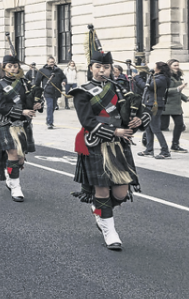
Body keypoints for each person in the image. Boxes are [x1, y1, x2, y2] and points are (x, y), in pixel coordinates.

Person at [69, 50, 150, 250]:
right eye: (98, 67)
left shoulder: (121, 89)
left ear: (111, 69)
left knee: (121, 193)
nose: (102, 71)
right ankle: (109, 230)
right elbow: (87, 121)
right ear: (91, 68)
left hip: (119, 146)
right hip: (97, 143)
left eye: (105, 67)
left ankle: (99, 212)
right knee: (103, 191)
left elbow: (142, 113)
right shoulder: (83, 92)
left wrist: (139, 120)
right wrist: (115, 131)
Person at [0, 54, 41, 202]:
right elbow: (1, 106)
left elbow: (30, 100)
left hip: (23, 124)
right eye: (10, 66)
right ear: (4, 67)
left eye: (15, 66)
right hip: (6, 123)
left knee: (20, 159)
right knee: (13, 153)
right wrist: (21, 111)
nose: (13, 68)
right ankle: (16, 187)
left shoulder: (24, 83)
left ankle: (9, 172)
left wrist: (37, 105)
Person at [137, 62, 171, 159]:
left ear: (159, 68)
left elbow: (147, 86)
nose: (153, 67)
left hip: (155, 105)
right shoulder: (157, 77)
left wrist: (137, 78)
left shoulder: (161, 79)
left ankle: (165, 151)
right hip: (150, 104)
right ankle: (149, 149)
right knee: (148, 127)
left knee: (155, 128)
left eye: (154, 65)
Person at [162, 59, 188, 153]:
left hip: (176, 106)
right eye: (175, 65)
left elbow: (178, 93)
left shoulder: (178, 76)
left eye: (178, 65)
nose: (177, 67)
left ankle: (175, 145)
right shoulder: (165, 77)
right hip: (166, 105)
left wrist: (186, 98)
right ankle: (147, 138)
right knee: (161, 126)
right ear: (169, 66)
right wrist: (178, 88)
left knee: (180, 125)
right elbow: (164, 91)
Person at [36, 56, 66, 129]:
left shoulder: (58, 70)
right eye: (51, 62)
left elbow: (64, 77)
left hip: (56, 91)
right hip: (47, 91)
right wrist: (37, 91)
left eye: (53, 62)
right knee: (50, 106)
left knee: (53, 107)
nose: (52, 63)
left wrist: (64, 81)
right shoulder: (42, 70)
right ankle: (50, 123)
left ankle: (48, 120)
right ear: (47, 62)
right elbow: (37, 81)